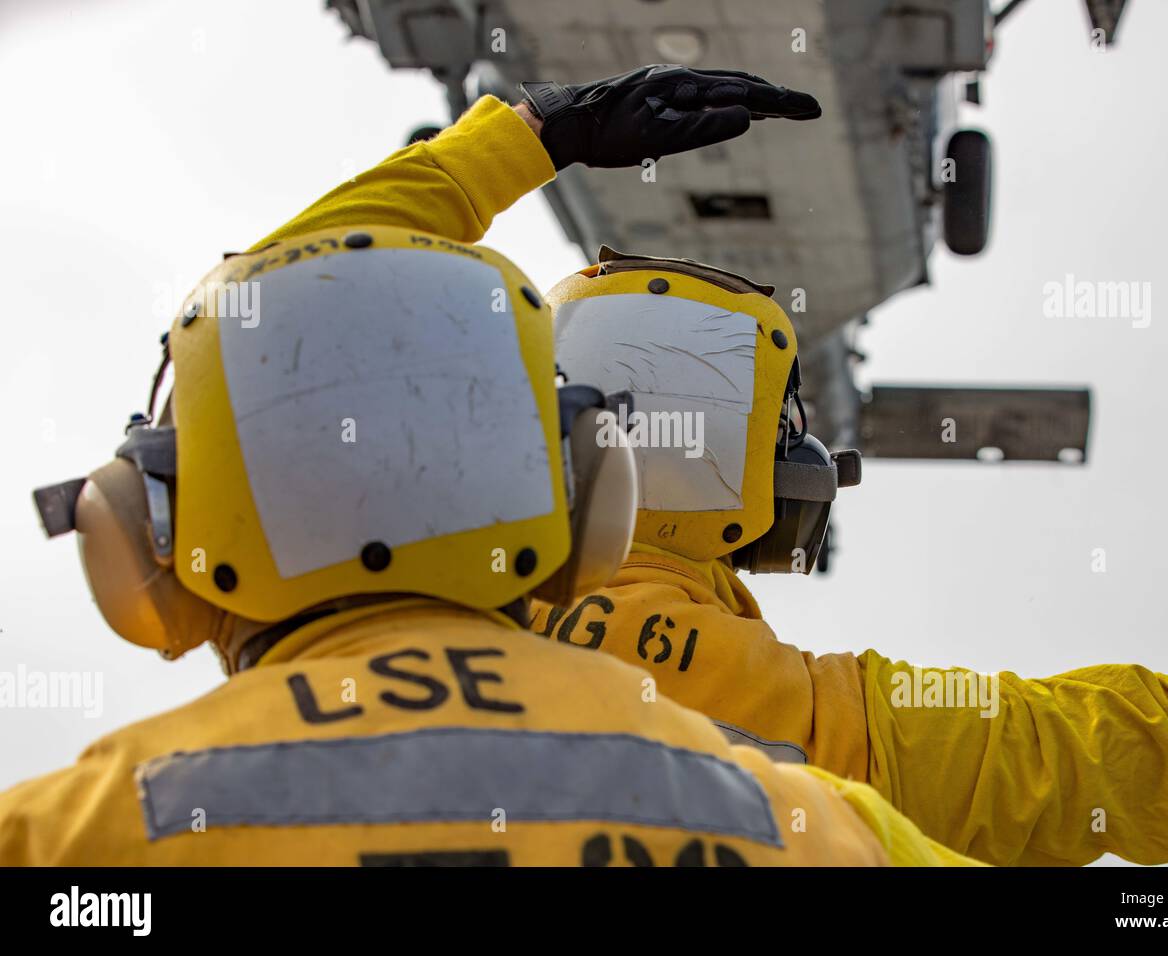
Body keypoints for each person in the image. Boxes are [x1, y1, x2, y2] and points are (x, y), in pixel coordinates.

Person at [0, 66, 979, 866]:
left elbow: (298, 318)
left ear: (135, 530)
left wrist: (528, 136)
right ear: (589, 488)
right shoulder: (809, 824)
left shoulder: (68, 835)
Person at [530, 252, 1168, 867]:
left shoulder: (431, 605)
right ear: (718, 457)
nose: (799, 457)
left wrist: (514, 142)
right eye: (780, 433)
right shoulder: (812, 719)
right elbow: (1095, 750)